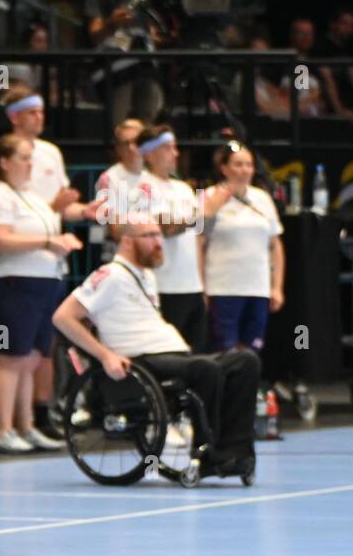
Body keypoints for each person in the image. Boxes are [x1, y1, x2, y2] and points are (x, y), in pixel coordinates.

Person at [53, 219, 261, 478]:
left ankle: (236, 452)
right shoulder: (110, 275)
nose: (158, 241)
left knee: (245, 360)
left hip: (174, 355)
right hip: (142, 360)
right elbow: (62, 317)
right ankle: (208, 454)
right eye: (149, 235)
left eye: (159, 235)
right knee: (204, 369)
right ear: (127, 241)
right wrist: (105, 355)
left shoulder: (147, 276)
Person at [0, 133, 98, 453]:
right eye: (24, 158)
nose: (31, 164)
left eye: (32, 158)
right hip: (10, 284)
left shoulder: (30, 196)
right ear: (4, 162)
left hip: (43, 282)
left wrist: (75, 217)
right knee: (11, 357)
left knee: (31, 358)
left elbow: (53, 224)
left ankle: (26, 426)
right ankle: (3, 429)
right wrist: (46, 243)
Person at [199, 141, 284, 353]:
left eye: (249, 164)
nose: (244, 169)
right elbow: (199, 244)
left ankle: (250, 387)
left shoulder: (262, 198)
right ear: (224, 168)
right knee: (225, 351)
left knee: (252, 350)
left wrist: (276, 287)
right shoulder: (208, 196)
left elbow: (275, 245)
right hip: (223, 287)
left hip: (257, 287)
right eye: (238, 164)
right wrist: (202, 287)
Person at [134, 125, 206, 352]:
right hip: (163, 285)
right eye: (167, 148)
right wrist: (200, 215)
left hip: (191, 286)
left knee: (194, 352)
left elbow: (197, 236)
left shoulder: (184, 188)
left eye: (175, 147)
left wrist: (202, 284)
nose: (175, 153)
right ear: (149, 154)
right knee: (168, 352)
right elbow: (165, 229)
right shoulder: (141, 187)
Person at [83, 0, 163, 124]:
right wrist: (112, 22)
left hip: (145, 64)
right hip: (117, 69)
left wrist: (158, 37)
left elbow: (150, 29)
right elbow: (95, 34)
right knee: (119, 122)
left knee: (150, 115)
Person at [95, 117, 145, 240]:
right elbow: (116, 230)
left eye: (136, 142)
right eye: (126, 143)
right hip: (121, 250)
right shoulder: (108, 179)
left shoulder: (155, 174)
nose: (132, 148)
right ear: (118, 149)